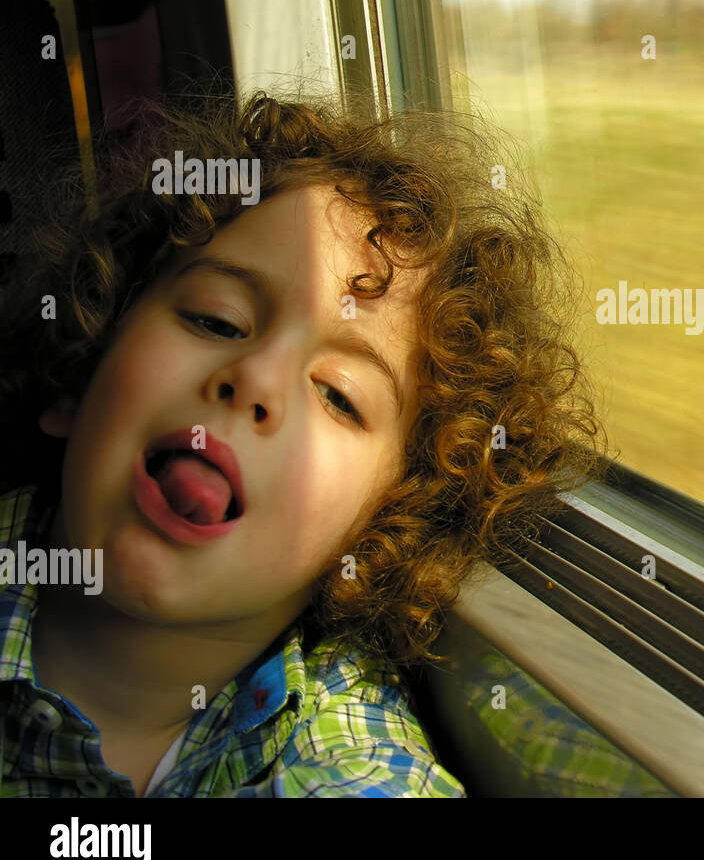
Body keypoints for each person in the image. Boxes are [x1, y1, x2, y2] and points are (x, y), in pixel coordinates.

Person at [0, 90, 609, 796]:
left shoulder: (347, 770)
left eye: (338, 396)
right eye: (217, 321)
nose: (257, 380)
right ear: (80, 369)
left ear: (382, 531)